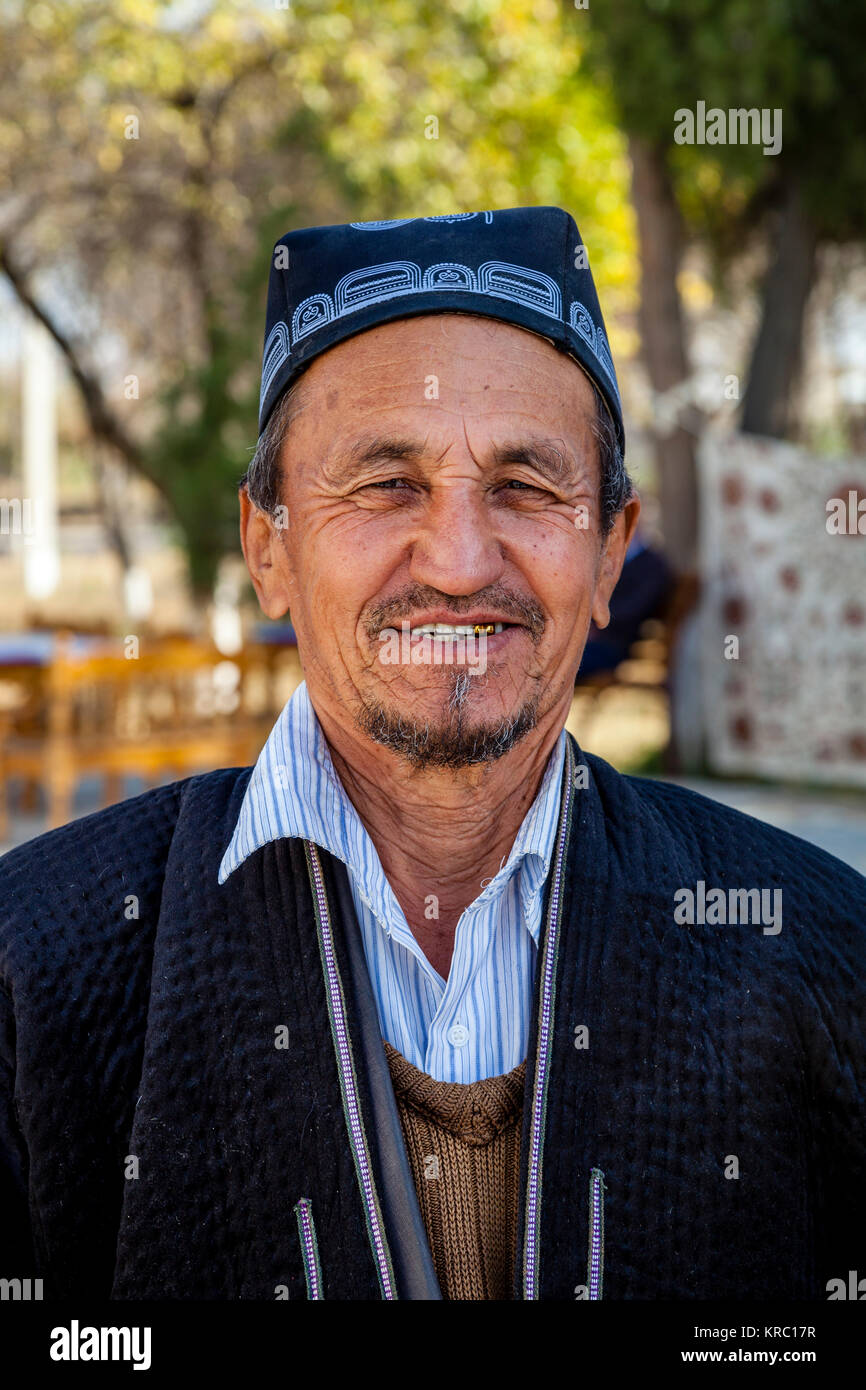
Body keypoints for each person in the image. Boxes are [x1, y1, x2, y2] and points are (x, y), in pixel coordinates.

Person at [1, 207, 863, 1302]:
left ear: (607, 551)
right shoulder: (31, 969)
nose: (458, 563)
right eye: (383, 483)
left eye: (523, 487)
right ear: (268, 547)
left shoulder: (821, 951)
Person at [576, 530, 673, 677]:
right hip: (594, 636)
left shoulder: (652, 565)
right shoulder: (609, 561)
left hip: (616, 643)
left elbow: (635, 608)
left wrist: (596, 624)